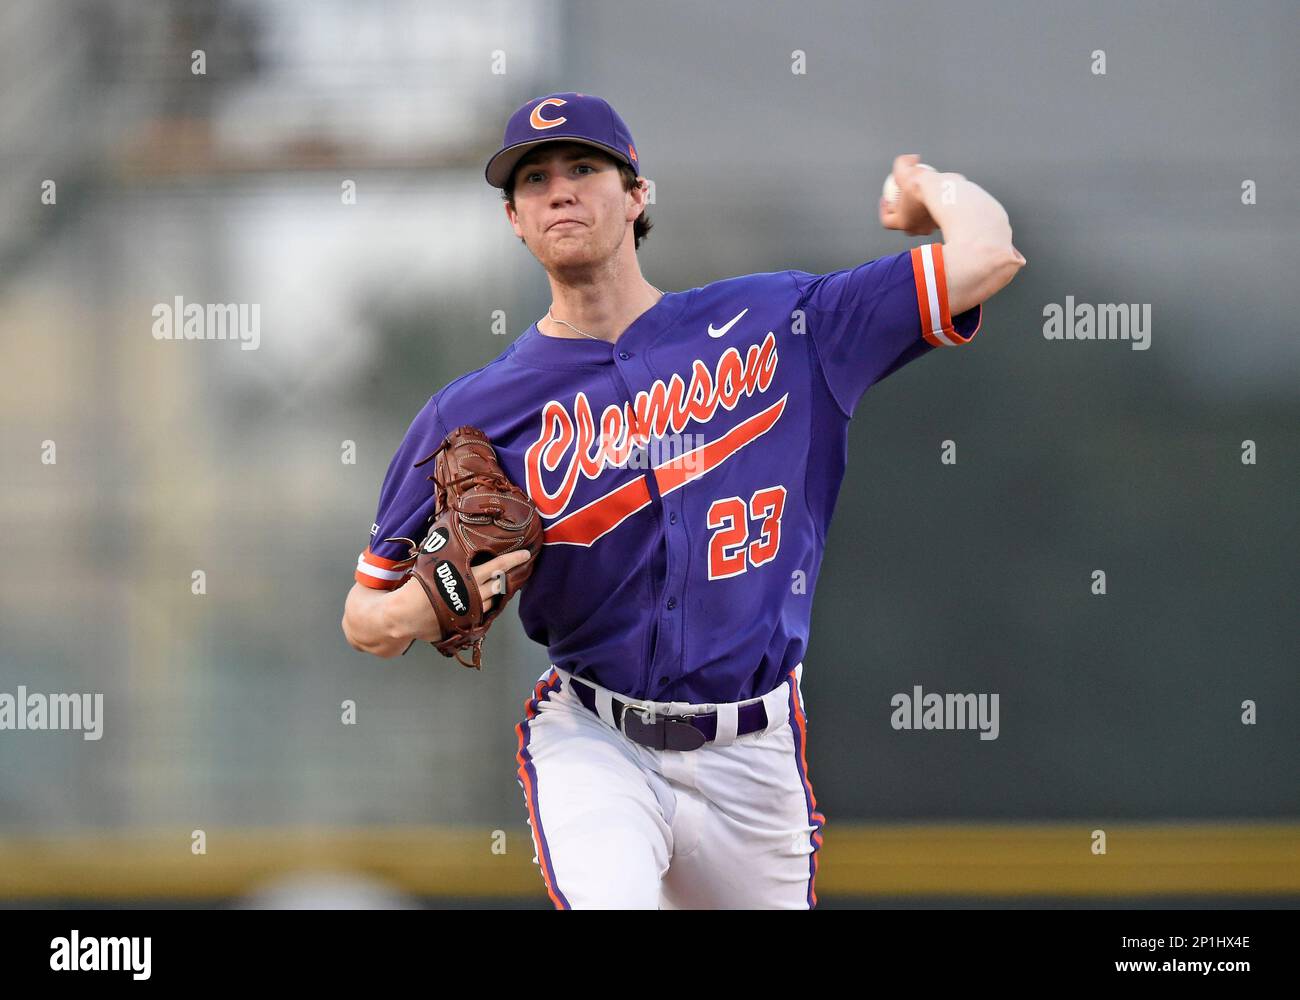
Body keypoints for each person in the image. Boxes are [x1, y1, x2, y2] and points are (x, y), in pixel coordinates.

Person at [341, 92, 1025, 908]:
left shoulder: (779, 323)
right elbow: (365, 618)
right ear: (515, 221)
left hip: (756, 752)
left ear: (637, 195)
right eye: (533, 179)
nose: (559, 189)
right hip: (598, 740)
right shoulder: (473, 412)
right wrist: (428, 602)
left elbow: (989, 256)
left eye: (585, 168)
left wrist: (929, 184)